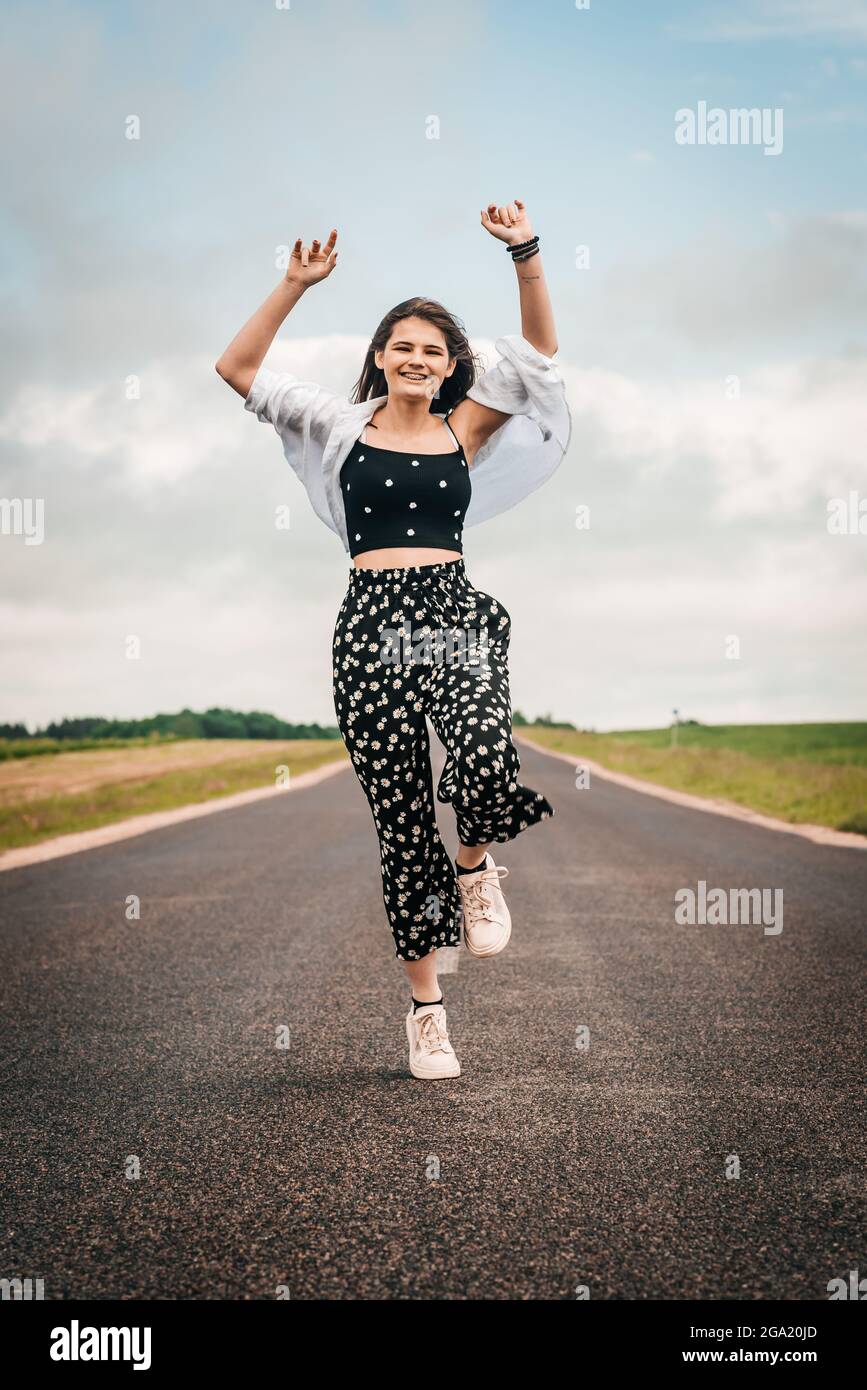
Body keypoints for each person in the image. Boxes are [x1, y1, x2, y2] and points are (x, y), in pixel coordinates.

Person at [216, 200, 571, 1080]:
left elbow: (537, 357)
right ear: (380, 356)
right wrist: (293, 284)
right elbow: (236, 367)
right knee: (402, 824)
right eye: (402, 346)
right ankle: (426, 1014)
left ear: (451, 367)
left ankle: (477, 866)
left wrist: (524, 254)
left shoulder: (466, 429)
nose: (417, 358)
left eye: (433, 350)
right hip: (369, 627)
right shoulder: (336, 425)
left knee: (487, 755)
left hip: (449, 611)